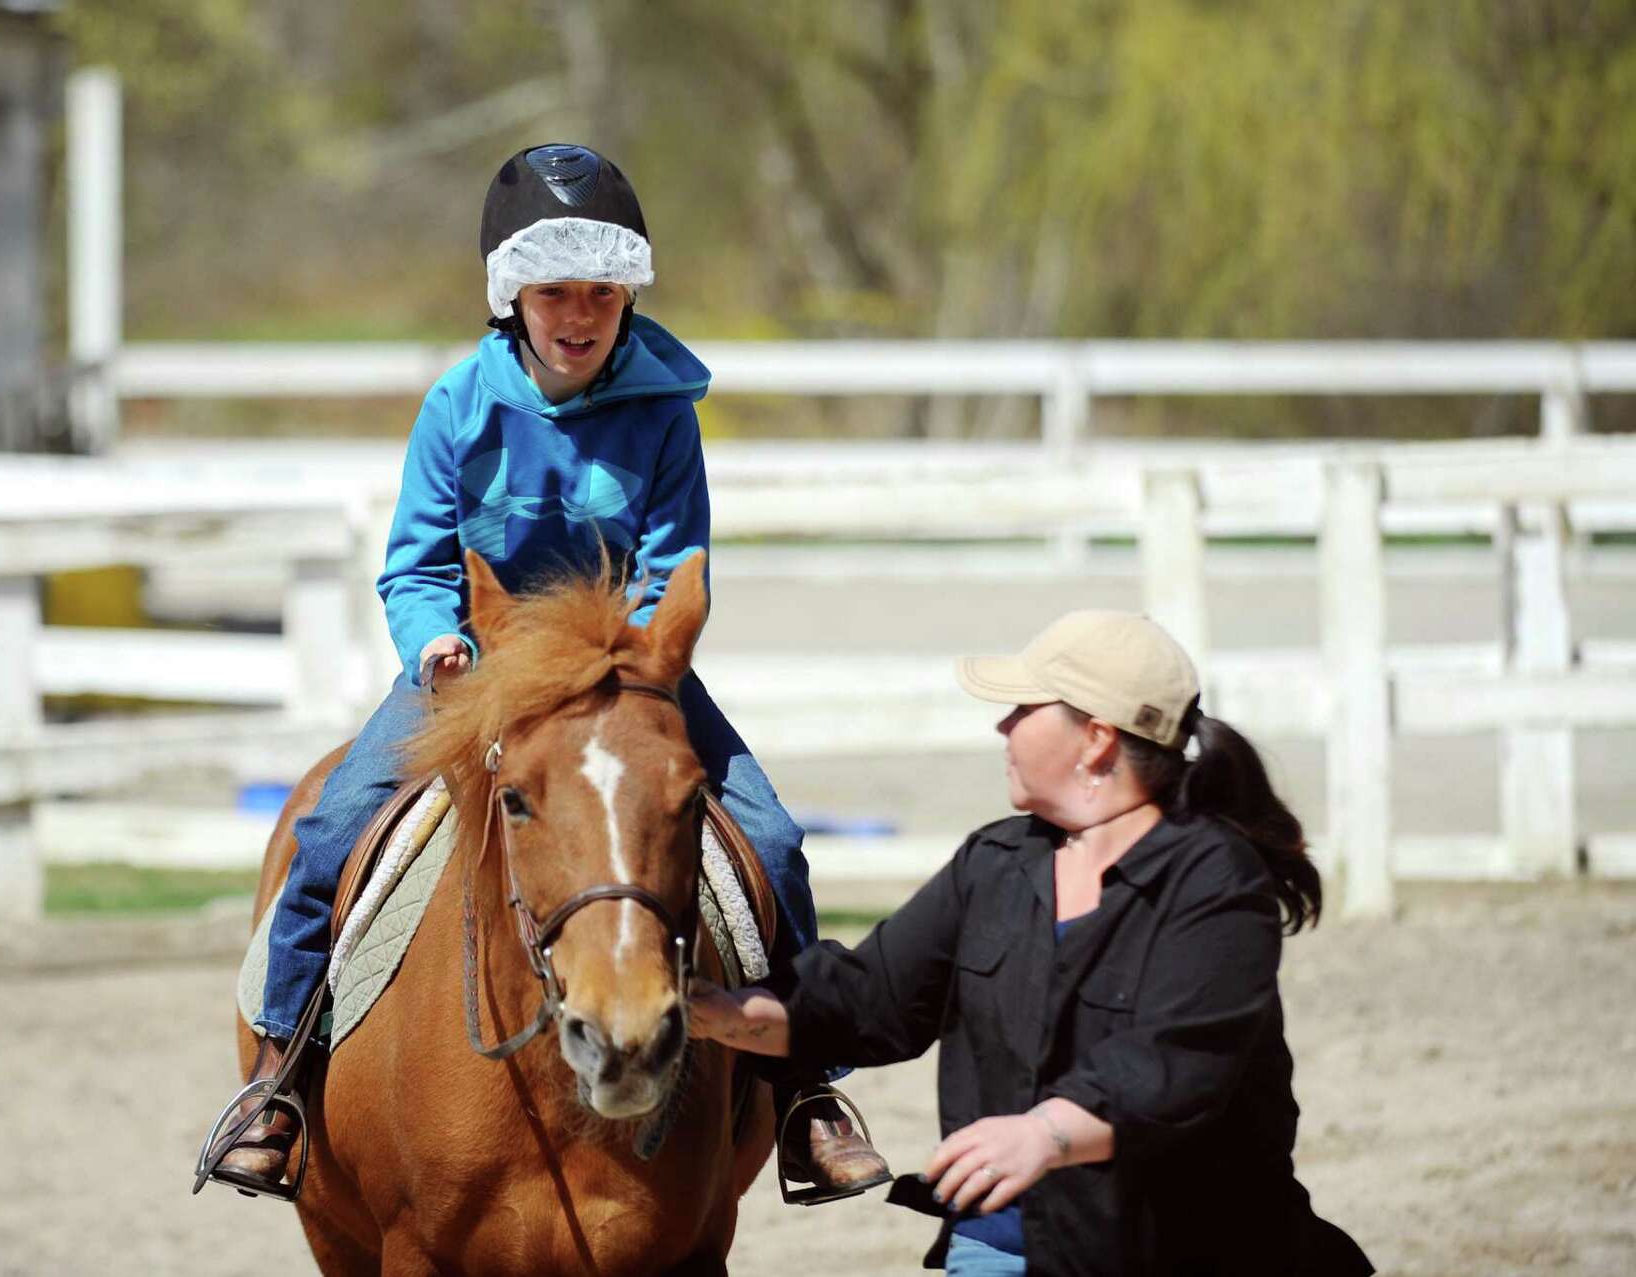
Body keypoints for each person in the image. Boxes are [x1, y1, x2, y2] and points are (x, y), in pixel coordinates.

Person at [215, 143, 888, 1199]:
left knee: (771, 838)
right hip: (474, 668)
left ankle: (805, 1090)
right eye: (555, 293)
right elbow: (416, 562)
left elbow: (675, 563)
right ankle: (280, 1080)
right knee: (331, 829)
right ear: (510, 297)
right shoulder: (455, 407)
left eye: (603, 295)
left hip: (626, 679)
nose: (580, 315)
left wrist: (641, 656)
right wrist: (433, 637)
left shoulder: (665, 407)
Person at [690, 610, 1374, 1275]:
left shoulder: (1216, 882)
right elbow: (868, 999)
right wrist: (724, 1012)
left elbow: (1176, 1063)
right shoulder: (994, 863)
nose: (1003, 725)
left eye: (1023, 710)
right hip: (1001, 1245)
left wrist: (1042, 1133)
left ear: (1097, 739)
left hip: (1181, 1246)